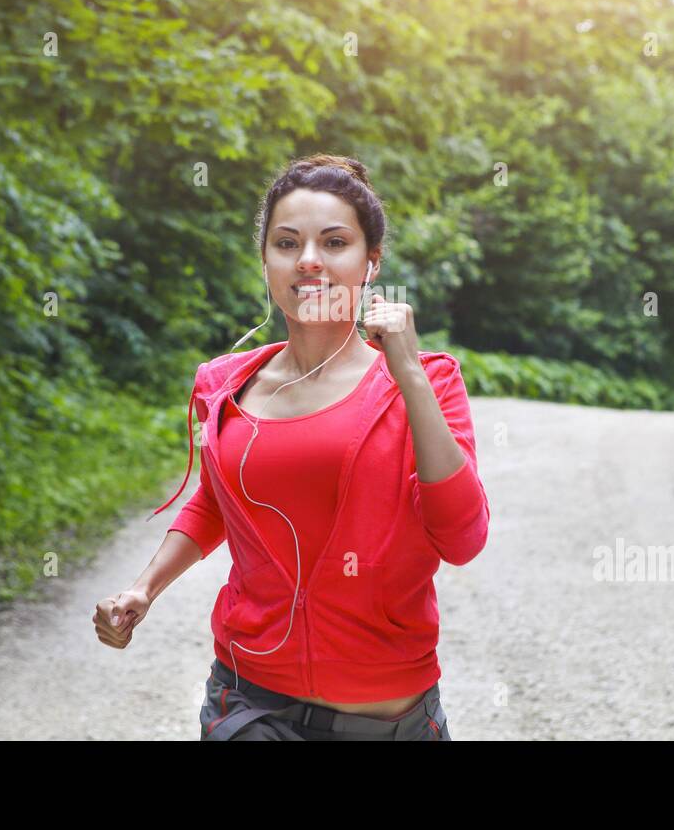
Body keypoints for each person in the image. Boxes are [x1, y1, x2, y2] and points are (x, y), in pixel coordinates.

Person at [94, 154, 490, 740]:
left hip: (389, 720)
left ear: (371, 262)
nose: (308, 260)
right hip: (249, 704)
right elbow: (215, 502)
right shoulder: (226, 386)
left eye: (334, 242)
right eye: (286, 243)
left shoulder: (426, 383)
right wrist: (143, 587)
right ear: (266, 262)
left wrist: (406, 372)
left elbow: (461, 538)